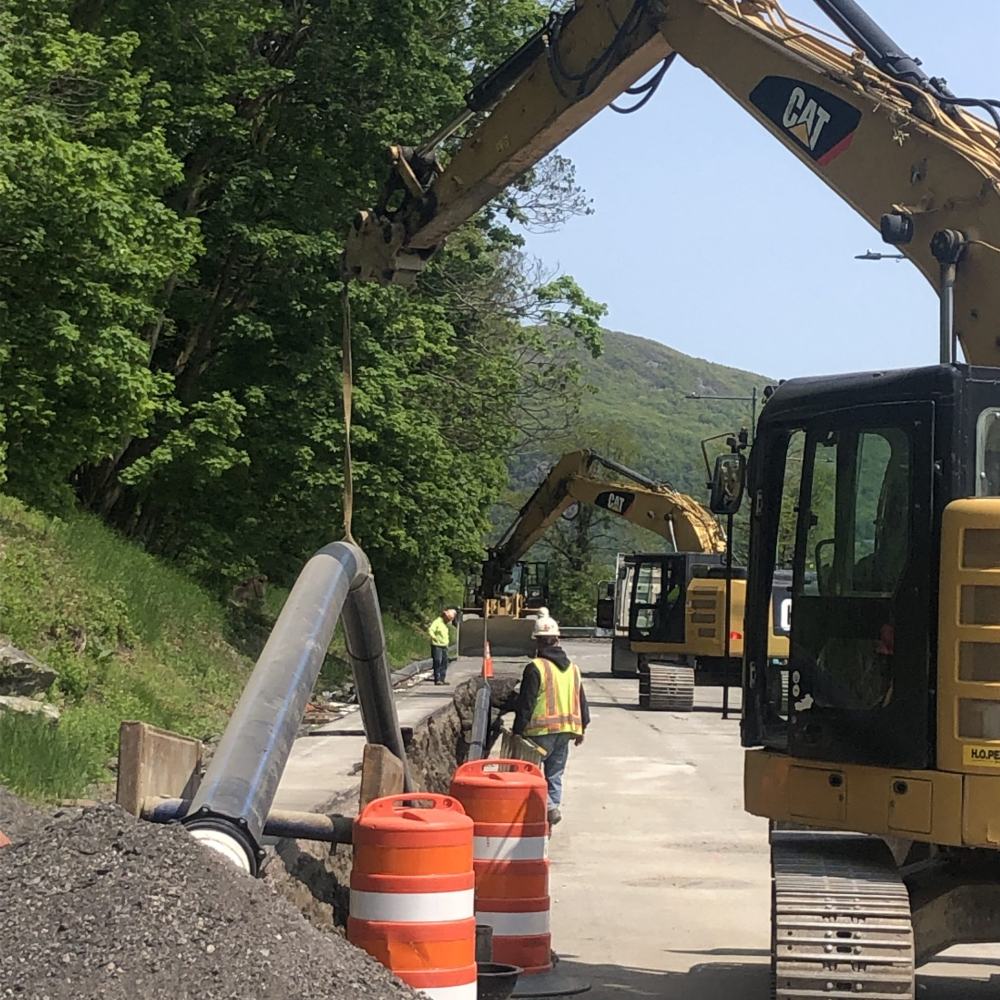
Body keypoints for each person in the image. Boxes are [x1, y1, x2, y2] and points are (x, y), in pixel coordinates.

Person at [513, 613, 589, 827]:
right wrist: (582, 728)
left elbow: (526, 702)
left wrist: (518, 730)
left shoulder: (536, 667)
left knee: (531, 776)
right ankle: (550, 813)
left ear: (537, 642)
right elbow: (581, 700)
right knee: (554, 775)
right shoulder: (573, 669)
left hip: (539, 732)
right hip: (566, 730)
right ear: (558, 639)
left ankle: (547, 809)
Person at [428, 608, 457, 685]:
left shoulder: (444, 624)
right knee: (438, 661)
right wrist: (434, 637)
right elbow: (431, 630)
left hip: (444, 646)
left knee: (444, 662)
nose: (449, 621)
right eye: (448, 619)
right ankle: (437, 679)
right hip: (437, 645)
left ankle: (442, 678)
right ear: (445, 616)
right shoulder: (437, 622)